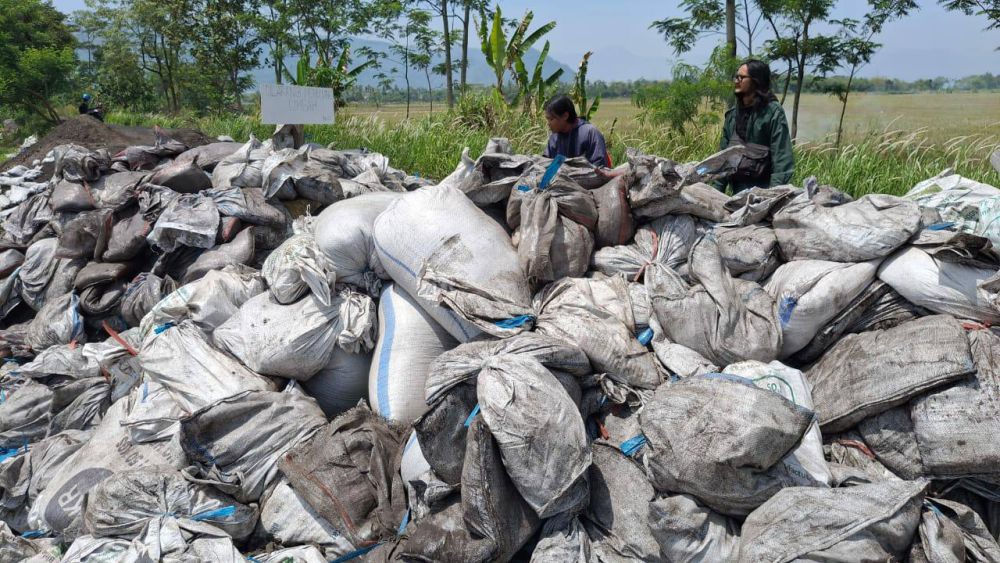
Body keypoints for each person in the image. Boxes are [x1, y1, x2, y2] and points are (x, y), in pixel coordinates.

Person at [718, 59, 794, 193]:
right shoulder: (732, 116)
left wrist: (771, 198)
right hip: (736, 194)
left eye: (741, 77)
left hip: (763, 193)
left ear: (756, 81)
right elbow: (722, 160)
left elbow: (782, 160)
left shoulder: (772, 112)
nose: (736, 81)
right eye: (736, 77)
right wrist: (714, 195)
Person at [543, 94, 609, 168]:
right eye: (547, 119)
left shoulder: (590, 133)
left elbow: (600, 167)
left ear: (565, 116)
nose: (548, 123)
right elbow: (546, 164)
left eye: (551, 119)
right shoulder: (554, 138)